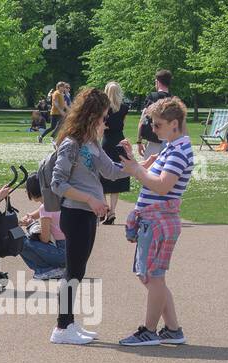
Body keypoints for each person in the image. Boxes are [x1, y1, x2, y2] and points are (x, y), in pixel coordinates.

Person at [47, 87, 131, 345]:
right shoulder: (71, 144)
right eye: (104, 116)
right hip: (76, 213)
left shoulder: (91, 143)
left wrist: (138, 165)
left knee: (77, 271)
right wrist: (91, 199)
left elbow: (112, 172)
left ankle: (69, 323)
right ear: (92, 115)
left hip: (87, 215)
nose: (106, 122)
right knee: (73, 271)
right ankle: (62, 328)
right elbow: (57, 183)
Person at [116, 97, 194, 346]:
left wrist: (136, 170)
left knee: (152, 277)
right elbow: (153, 177)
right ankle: (172, 329)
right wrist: (135, 164)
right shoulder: (172, 146)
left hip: (159, 221)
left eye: (158, 125)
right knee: (152, 277)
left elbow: (163, 186)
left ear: (174, 123)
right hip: (154, 220)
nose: (154, 129)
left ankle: (150, 330)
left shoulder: (179, 150)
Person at [18, 175, 67, 280]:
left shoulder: (45, 208)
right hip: (75, 251)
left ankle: (47, 270)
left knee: (19, 241)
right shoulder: (57, 199)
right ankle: (54, 269)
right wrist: (26, 219)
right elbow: (35, 214)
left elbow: (44, 239)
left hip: (63, 254)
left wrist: (32, 225)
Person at [100, 82, 131, 224]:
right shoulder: (124, 108)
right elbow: (121, 125)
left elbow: (103, 125)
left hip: (107, 142)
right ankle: (112, 211)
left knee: (103, 174)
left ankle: (104, 208)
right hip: (119, 141)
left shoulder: (103, 108)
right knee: (116, 176)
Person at [136, 69, 173, 160]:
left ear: (158, 82)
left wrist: (139, 141)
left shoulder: (152, 97)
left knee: (149, 170)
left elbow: (143, 120)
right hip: (169, 142)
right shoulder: (173, 100)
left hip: (154, 142)